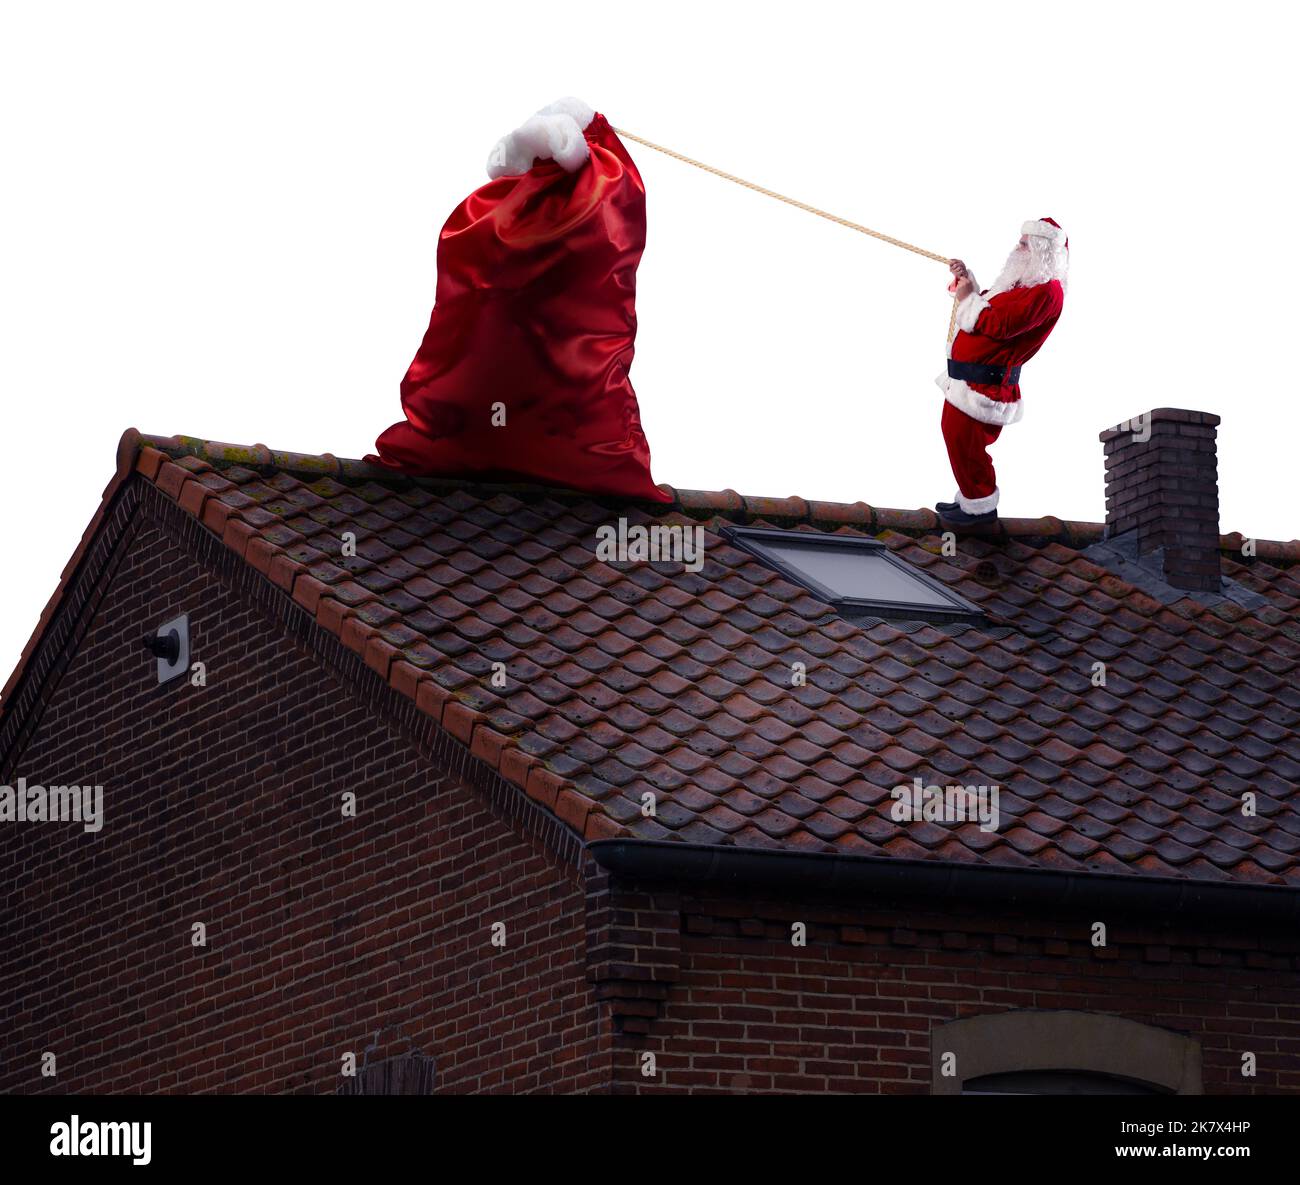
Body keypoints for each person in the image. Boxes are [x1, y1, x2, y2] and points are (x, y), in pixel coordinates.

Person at [934, 217, 1069, 524]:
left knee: (965, 440)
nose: (1017, 248)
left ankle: (980, 509)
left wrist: (967, 297)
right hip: (968, 379)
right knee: (957, 437)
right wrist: (968, 281)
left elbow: (998, 324)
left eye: (1025, 244)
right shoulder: (1019, 283)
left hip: (985, 386)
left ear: (1043, 250)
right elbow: (986, 307)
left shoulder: (1047, 292)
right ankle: (972, 498)